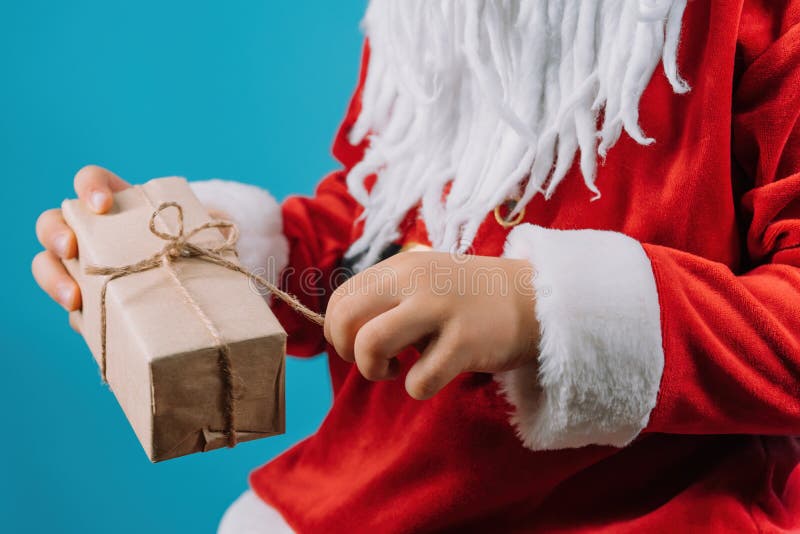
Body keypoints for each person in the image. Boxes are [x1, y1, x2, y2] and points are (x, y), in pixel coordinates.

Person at [32, 1, 800, 532]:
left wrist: (543, 310)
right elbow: (371, 232)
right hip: (357, 502)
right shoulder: (432, 16)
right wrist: (209, 263)